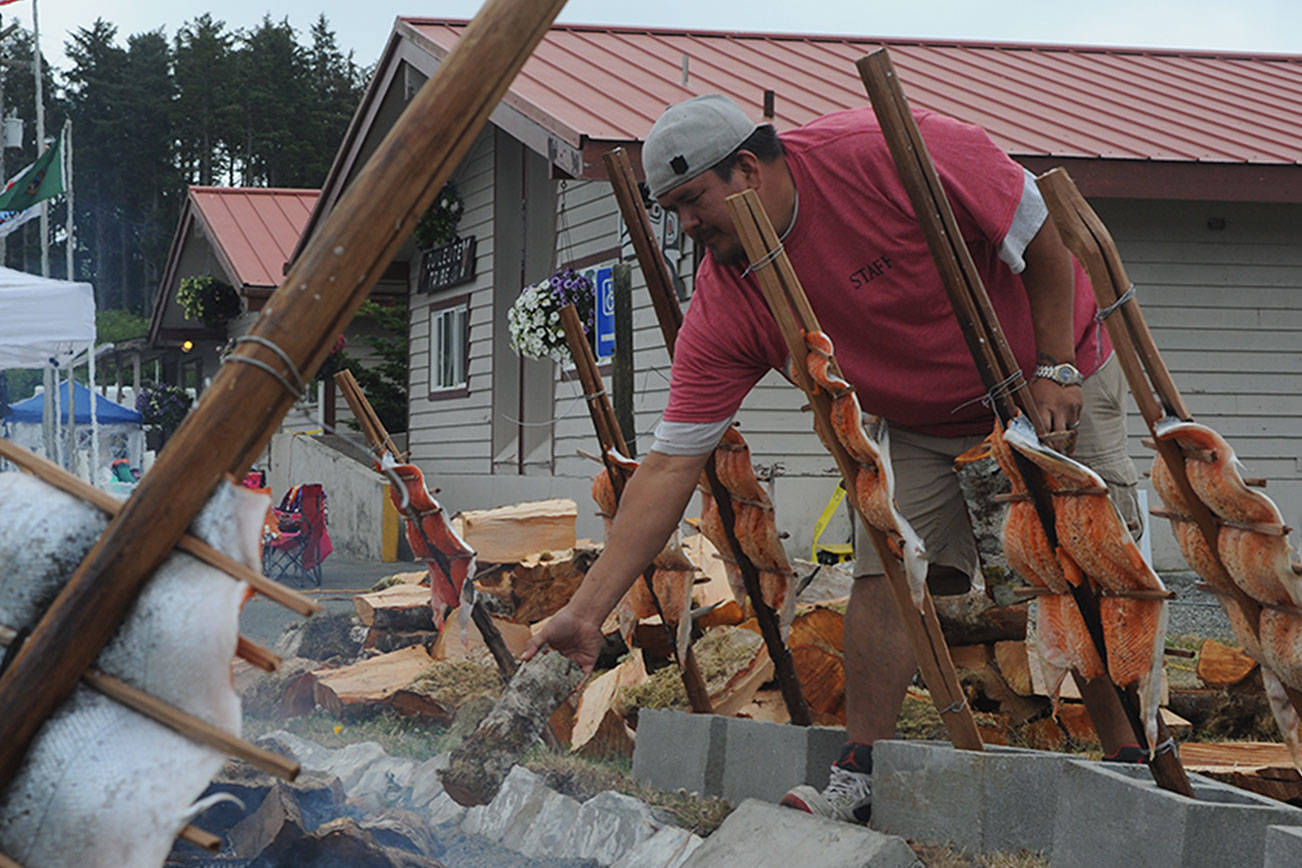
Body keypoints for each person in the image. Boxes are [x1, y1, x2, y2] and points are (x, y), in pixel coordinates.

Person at [524, 93, 1139, 823]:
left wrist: (1057, 366)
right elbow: (669, 467)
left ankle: (1134, 761)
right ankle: (861, 773)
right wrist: (586, 612)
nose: (687, 227)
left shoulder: (887, 153)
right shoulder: (732, 298)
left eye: (692, 201)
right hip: (918, 419)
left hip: (1040, 374)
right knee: (885, 574)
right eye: (673, 210)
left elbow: (1039, 235)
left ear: (747, 169)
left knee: (1080, 565)